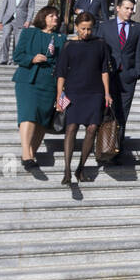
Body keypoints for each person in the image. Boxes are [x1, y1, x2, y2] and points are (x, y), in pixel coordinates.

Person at [54, 11, 113, 185]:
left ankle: (81, 167)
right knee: (71, 127)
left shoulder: (100, 45)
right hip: (74, 91)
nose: (86, 32)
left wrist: (107, 93)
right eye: (83, 29)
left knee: (92, 128)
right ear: (77, 27)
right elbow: (61, 73)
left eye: (89, 29)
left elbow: (104, 71)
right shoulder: (68, 45)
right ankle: (66, 169)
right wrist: (59, 95)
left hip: (95, 92)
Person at [12, 6, 65, 173]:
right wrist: (32, 58)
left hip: (49, 82)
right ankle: (26, 154)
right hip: (29, 80)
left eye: (56, 16)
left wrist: (61, 93)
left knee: (42, 119)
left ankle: (31, 154)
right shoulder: (29, 33)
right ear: (43, 17)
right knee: (28, 114)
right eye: (51, 16)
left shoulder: (61, 38)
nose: (55, 18)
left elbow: (63, 64)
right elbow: (17, 55)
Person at [99, 0, 140, 161]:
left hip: (127, 78)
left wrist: (136, 72)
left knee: (122, 114)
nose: (130, 11)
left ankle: (117, 150)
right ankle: (103, 147)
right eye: (126, 8)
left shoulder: (138, 29)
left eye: (132, 9)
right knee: (105, 112)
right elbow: (99, 50)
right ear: (117, 8)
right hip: (108, 77)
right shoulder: (104, 27)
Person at [0, 0, 35, 65]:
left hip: (21, 20)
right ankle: (3, 58)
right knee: (5, 37)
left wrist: (28, 20)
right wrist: (0, 20)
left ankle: (15, 59)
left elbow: (31, 8)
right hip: (8, 19)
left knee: (18, 41)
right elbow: (4, 6)